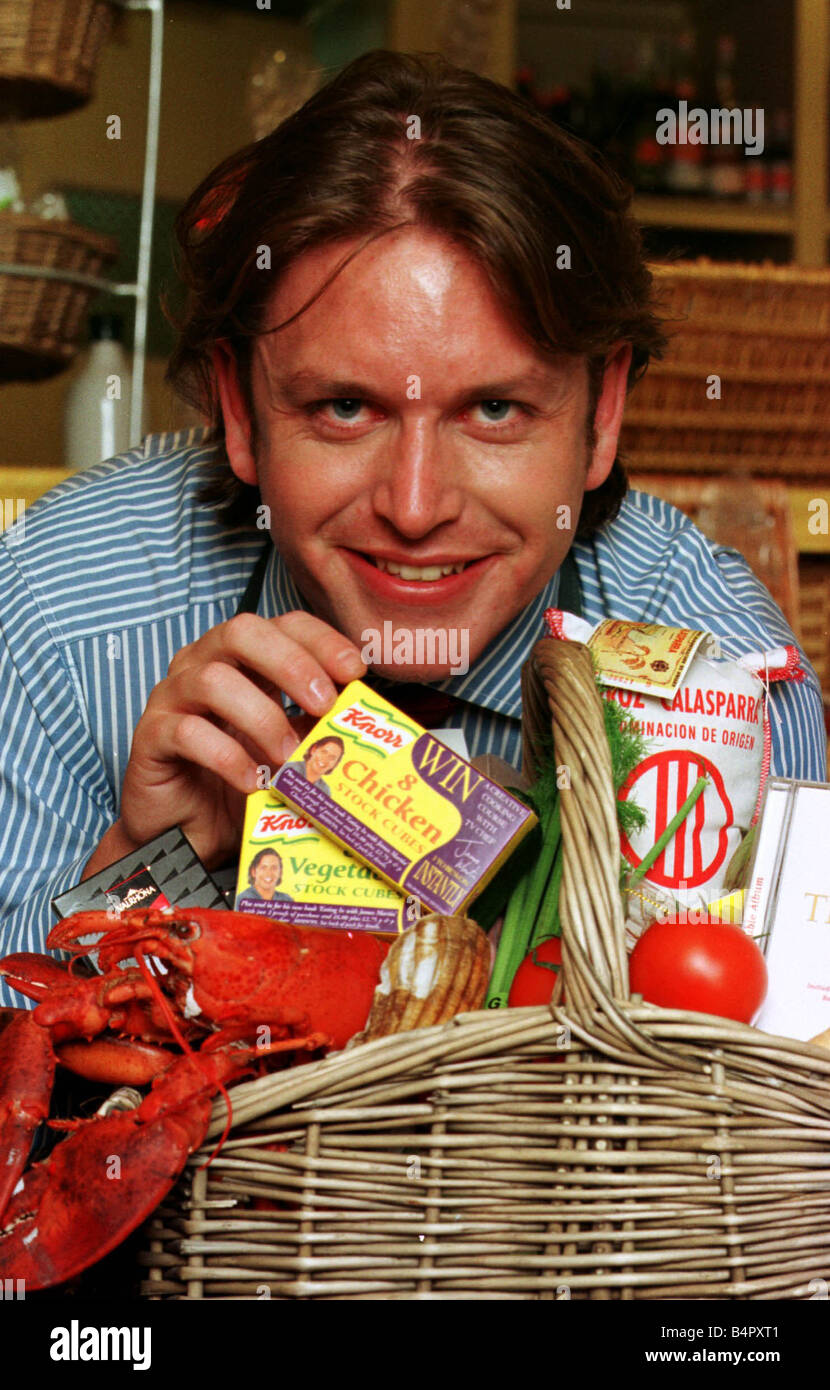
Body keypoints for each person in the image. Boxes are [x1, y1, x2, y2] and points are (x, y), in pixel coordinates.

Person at [0, 51, 824, 1006]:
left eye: (497, 411)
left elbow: (784, 1105)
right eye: (347, 408)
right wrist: (145, 870)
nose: (417, 505)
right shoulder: (55, 606)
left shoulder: (724, 667)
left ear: (601, 415)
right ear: (237, 406)